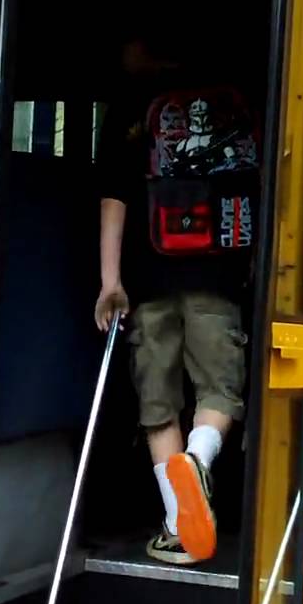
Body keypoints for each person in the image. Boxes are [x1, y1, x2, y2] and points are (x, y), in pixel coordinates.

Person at [94, 33, 257, 565]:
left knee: (157, 403)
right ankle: (201, 462)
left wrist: (110, 281)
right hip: (218, 275)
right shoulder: (238, 96)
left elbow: (114, 199)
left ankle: (177, 526)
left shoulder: (135, 106)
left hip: (148, 276)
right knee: (220, 389)